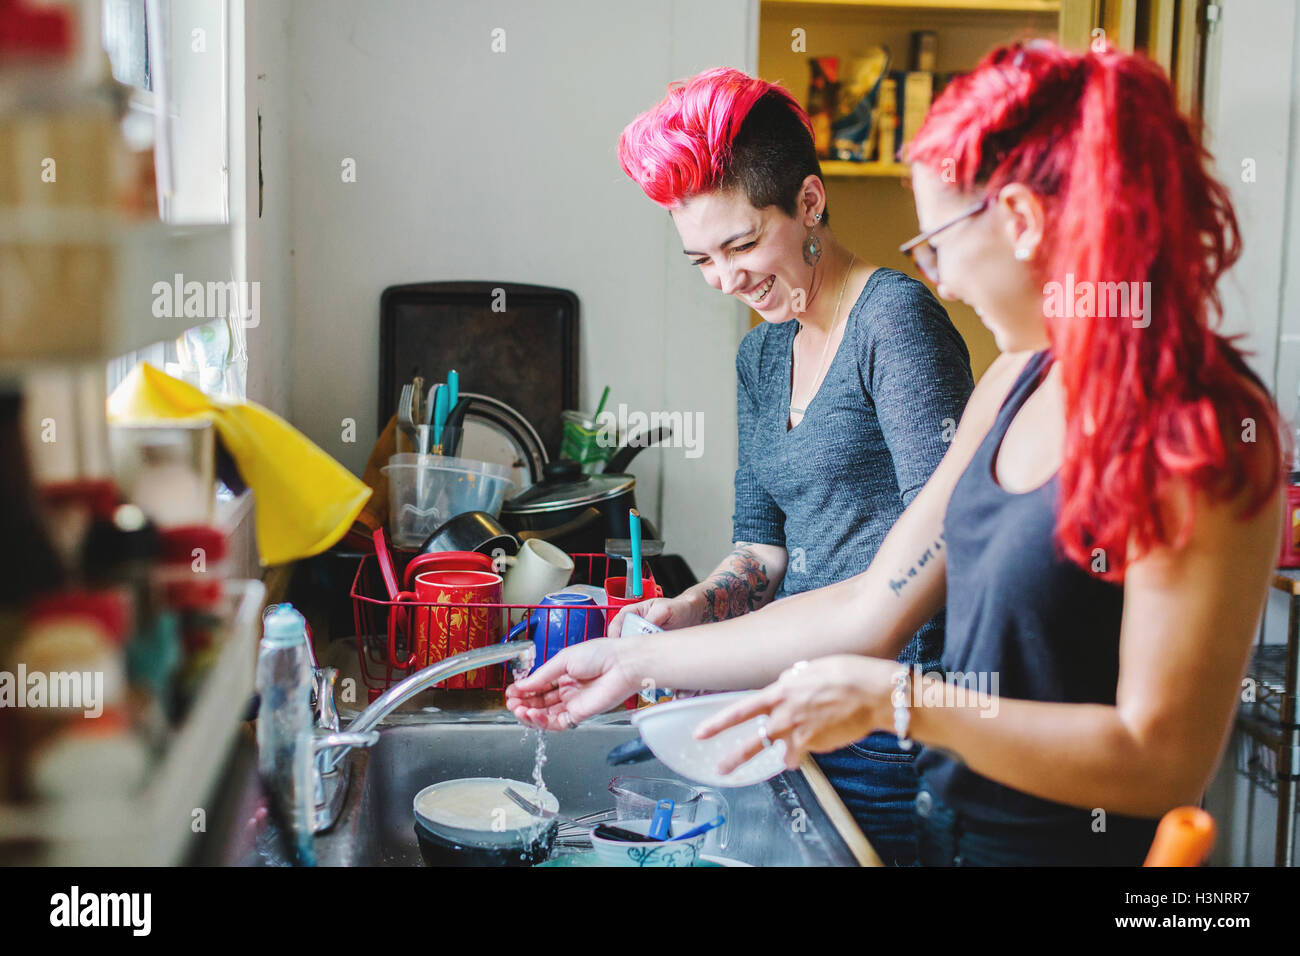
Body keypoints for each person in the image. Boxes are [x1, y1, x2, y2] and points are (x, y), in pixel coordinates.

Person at [508, 40, 1284, 866]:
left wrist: (900, 702)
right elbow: (872, 603)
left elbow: (1159, 759)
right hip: (950, 831)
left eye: (939, 240)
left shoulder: (1200, 428)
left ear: (1020, 220)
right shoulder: (1015, 383)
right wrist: (634, 658)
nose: (938, 280)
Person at [607, 67, 974, 865]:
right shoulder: (761, 357)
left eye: (741, 243)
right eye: (700, 260)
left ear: (809, 202)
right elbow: (762, 550)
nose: (726, 279)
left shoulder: (896, 324)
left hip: (894, 728)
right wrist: (695, 608)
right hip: (795, 706)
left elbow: (946, 551)